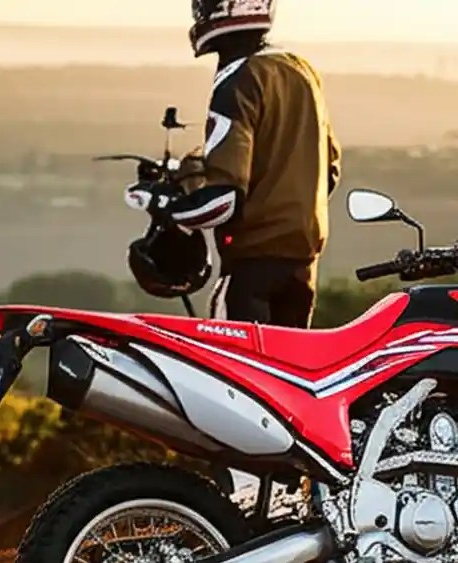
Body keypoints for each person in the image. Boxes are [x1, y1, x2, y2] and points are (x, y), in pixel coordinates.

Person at [140, 0, 342, 329]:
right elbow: (328, 173)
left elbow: (224, 200)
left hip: (250, 269)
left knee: (230, 375)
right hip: (303, 267)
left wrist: (166, 205)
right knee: (283, 377)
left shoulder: (238, 80)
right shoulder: (301, 71)